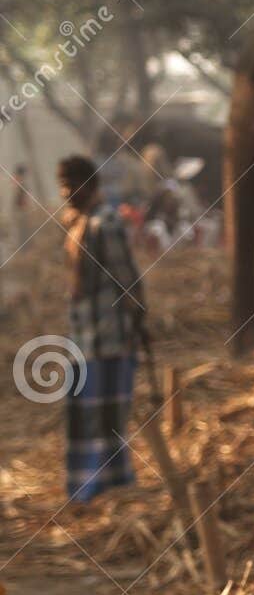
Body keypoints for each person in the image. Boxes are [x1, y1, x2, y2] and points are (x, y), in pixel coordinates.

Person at [57, 156, 145, 503]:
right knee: (83, 415)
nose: (66, 191)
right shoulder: (77, 224)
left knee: (107, 416)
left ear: (90, 184)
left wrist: (138, 320)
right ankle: (85, 489)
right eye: (62, 183)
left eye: (73, 183)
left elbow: (127, 278)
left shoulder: (106, 222)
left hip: (110, 338)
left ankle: (113, 486)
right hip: (83, 340)